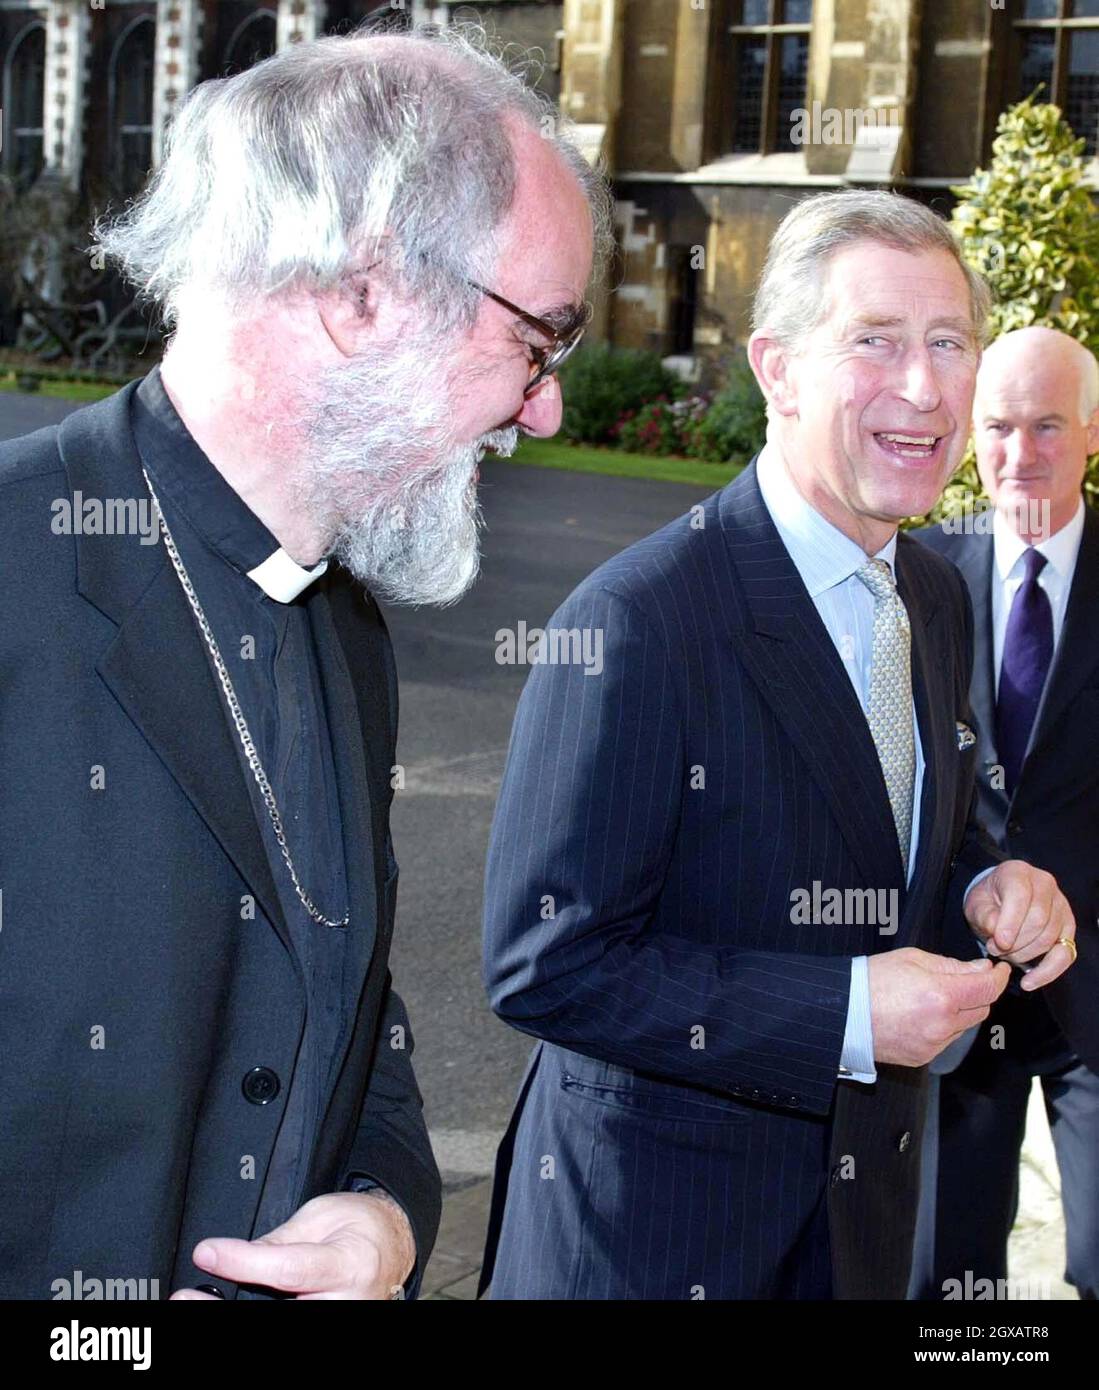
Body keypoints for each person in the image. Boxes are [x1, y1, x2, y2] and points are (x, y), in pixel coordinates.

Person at [0, 21, 607, 1300]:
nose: (545, 405)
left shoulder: (344, 628)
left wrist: (383, 1212)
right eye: (538, 339)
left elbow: (348, 998)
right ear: (363, 291)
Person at [478, 191, 1076, 1301]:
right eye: (875, 342)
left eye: (949, 344)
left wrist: (988, 884)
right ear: (776, 368)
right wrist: (846, 1015)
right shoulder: (639, 620)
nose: (923, 385)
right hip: (650, 1248)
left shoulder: (936, 597)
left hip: (855, 1235)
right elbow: (543, 963)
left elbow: (898, 844)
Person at [911, 327, 1099, 1300]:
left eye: (1046, 427)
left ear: (1094, 432)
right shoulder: (916, 579)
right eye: (996, 427)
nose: (1017, 455)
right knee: (951, 1278)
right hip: (957, 986)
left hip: (1093, 989)